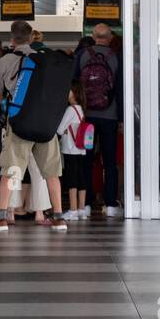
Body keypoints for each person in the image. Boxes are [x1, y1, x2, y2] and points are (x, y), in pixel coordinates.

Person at [0, 19, 66, 233]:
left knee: (11, 170)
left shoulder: (5, 60)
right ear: (31, 38)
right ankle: (58, 218)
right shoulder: (43, 59)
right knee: (51, 172)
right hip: (45, 123)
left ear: (12, 39)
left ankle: (2, 218)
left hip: (20, 122)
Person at [76, 22, 122, 215]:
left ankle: (85, 204)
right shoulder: (117, 57)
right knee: (109, 161)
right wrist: (121, 117)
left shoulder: (82, 56)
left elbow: (74, 85)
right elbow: (120, 89)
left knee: (85, 160)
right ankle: (110, 205)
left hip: (87, 118)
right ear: (110, 38)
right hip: (110, 117)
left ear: (93, 37)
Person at [57, 81, 91, 222]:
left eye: (69, 90)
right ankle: (82, 210)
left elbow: (59, 129)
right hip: (81, 149)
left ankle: (73, 210)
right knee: (81, 178)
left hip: (70, 149)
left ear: (74, 93)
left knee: (71, 179)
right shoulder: (81, 109)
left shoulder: (70, 110)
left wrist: (64, 130)